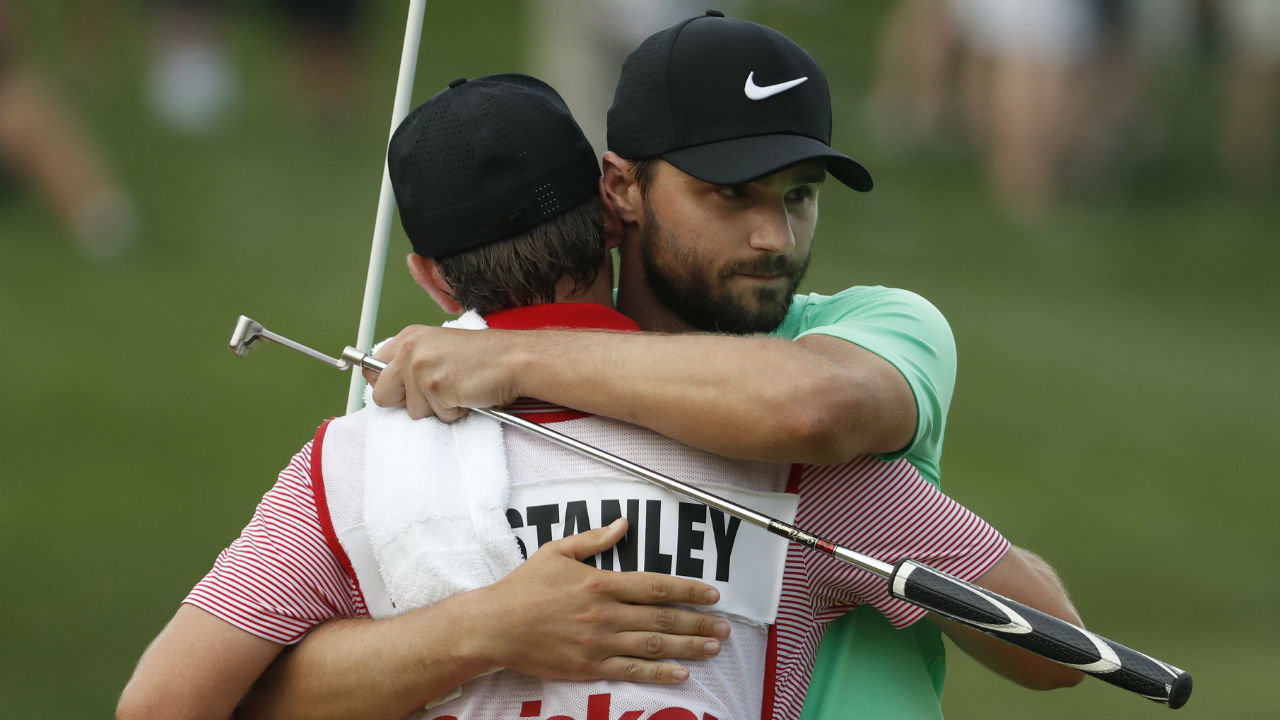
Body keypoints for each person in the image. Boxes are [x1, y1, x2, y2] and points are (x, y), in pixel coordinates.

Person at [239, 12, 1083, 720]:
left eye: (798, 194)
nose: (775, 237)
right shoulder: (468, 395)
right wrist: (481, 631)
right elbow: (243, 695)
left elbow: (812, 410)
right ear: (622, 188)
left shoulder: (876, 325)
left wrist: (513, 353)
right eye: (732, 193)